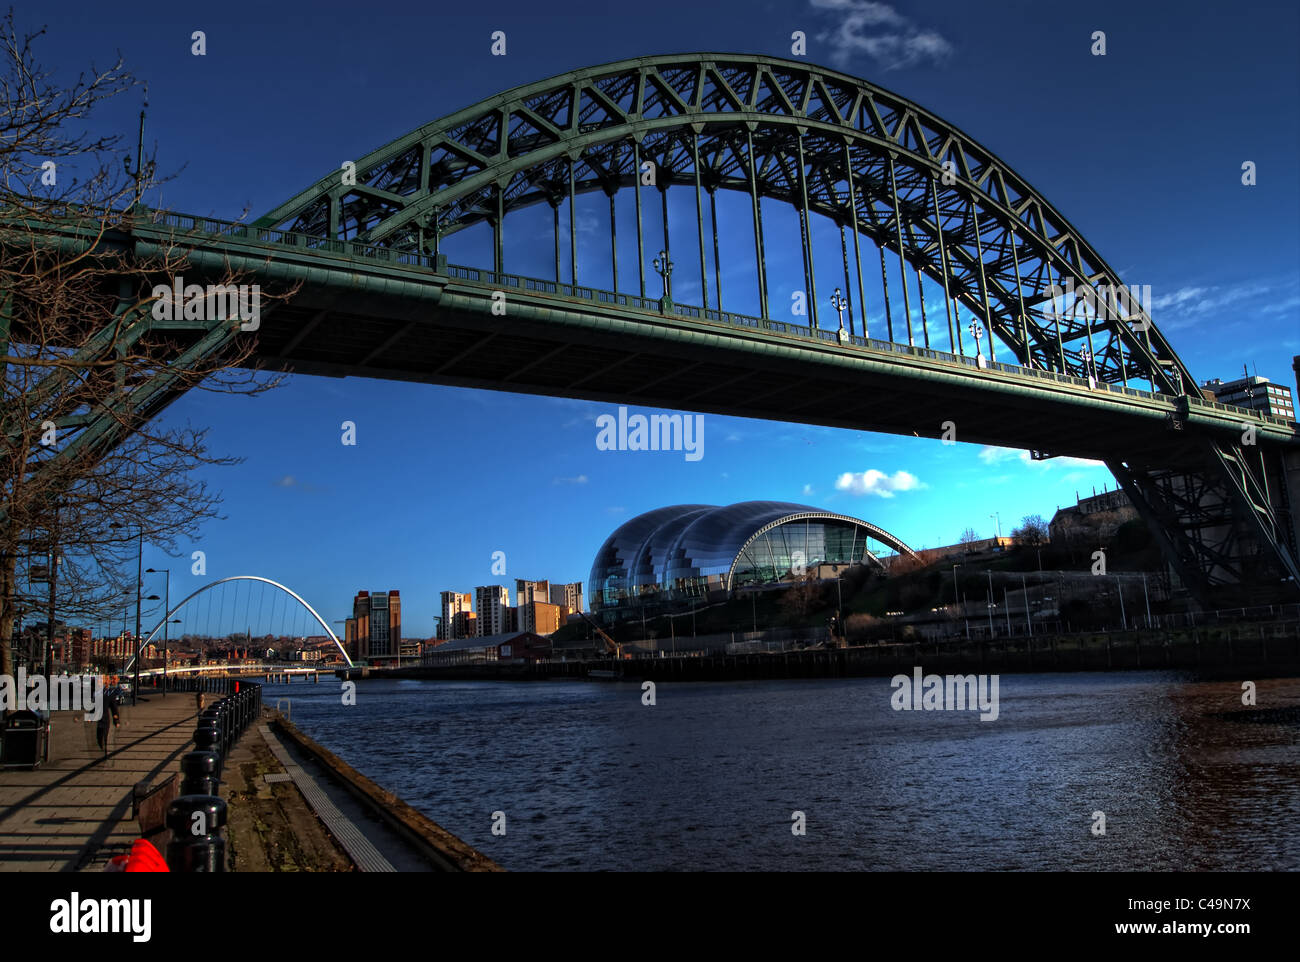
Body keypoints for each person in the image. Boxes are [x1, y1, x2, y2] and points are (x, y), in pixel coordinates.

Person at [97, 687, 122, 756]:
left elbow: (114, 708)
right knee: (99, 736)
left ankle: (105, 752)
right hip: (99, 718)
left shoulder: (109, 694)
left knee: (104, 735)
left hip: (105, 719)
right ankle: (102, 748)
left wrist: (116, 720)